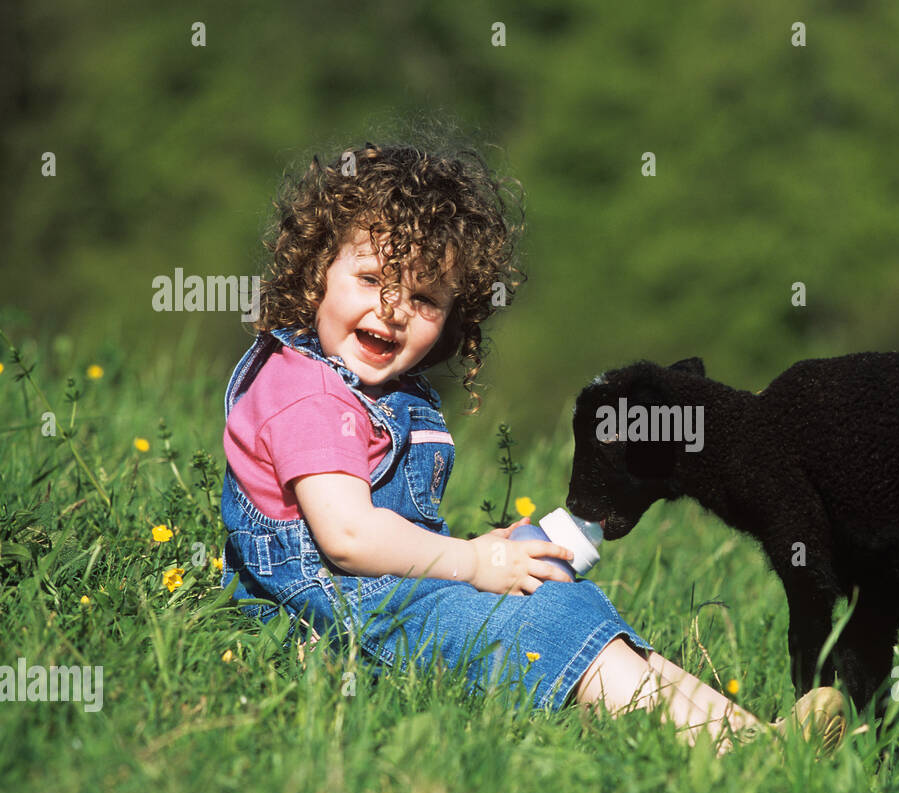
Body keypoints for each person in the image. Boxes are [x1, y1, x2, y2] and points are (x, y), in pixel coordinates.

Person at [220, 137, 844, 754]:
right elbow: (349, 540)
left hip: (388, 595)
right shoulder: (308, 394)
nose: (392, 311)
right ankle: (737, 755)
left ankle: (754, 739)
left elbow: (389, 536)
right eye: (369, 279)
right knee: (546, 623)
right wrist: (471, 565)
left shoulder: (383, 392)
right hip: (336, 621)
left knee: (559, 596)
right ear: (316, 271)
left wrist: (471, 553)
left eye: (423, 297)